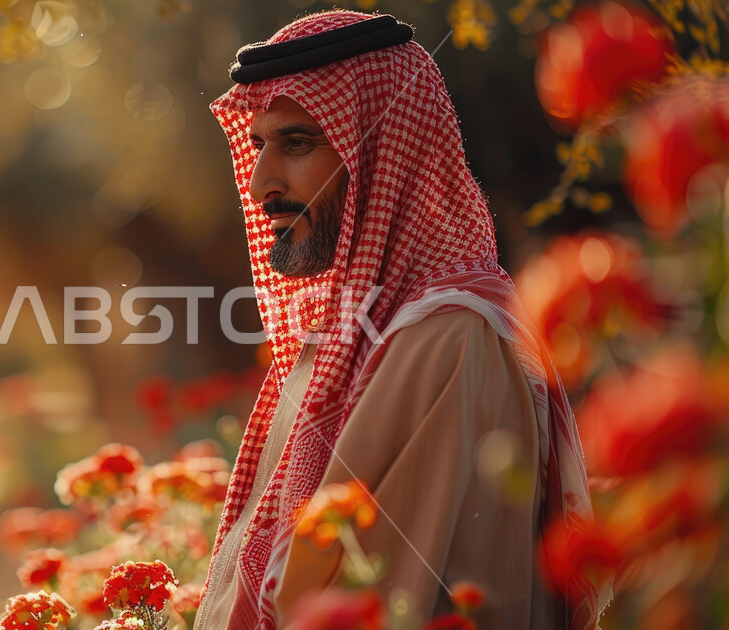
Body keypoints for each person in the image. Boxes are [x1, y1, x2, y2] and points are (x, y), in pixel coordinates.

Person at [192, 9, 614, 630]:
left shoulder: (451, 338)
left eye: (298, 143)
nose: (261, 183)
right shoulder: (348, 332)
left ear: (388, 151)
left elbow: (376, 600)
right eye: (258, 145)